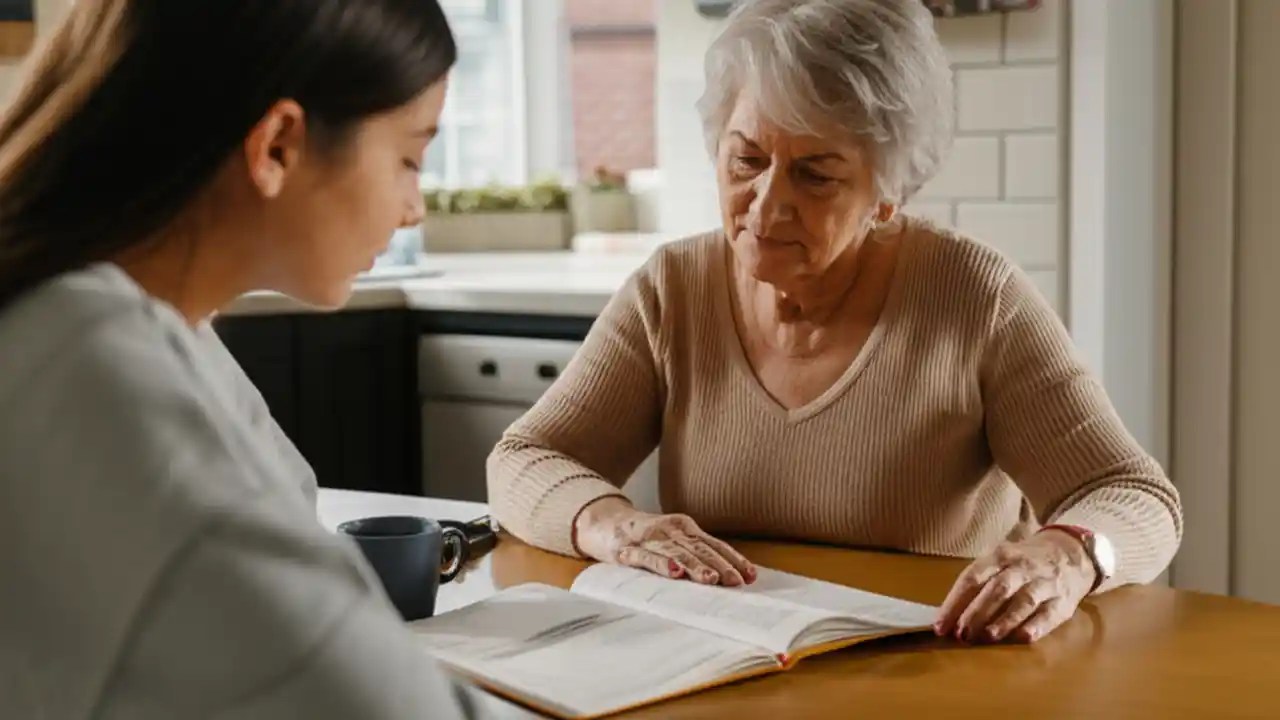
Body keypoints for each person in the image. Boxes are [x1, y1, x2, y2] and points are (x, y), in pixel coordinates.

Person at [488, 0, 1182, 646]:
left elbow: (1134, 495)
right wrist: (613, 527)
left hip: (933, 669)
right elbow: (524, 460)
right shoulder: (672, 290)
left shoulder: (975, 298)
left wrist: (1070, 554)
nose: (763, 208)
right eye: (746, 160)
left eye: (815, 176)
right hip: (723, 667)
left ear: (887, 193)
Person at [0, 1, 495, 717]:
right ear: (278, 147)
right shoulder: (94, 368)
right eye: (409, 158)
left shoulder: (146, 329)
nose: (414, 207)